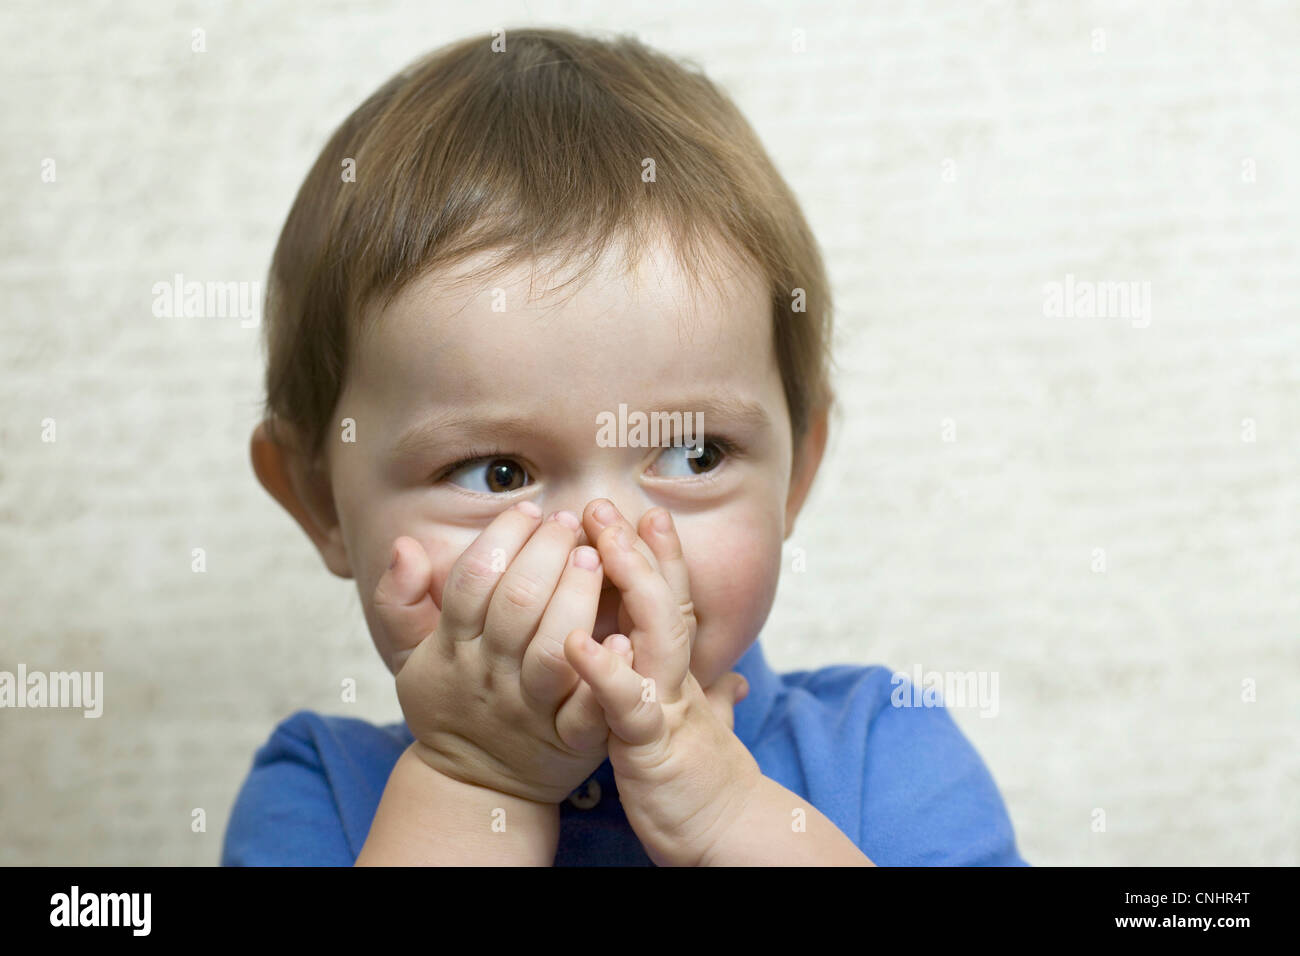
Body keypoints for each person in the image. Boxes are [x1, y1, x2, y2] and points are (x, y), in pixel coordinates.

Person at [223, 26, 1027, 866]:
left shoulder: (887, 756)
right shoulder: (316, 794)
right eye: (496, 473)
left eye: (693, 456)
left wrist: (727, 818)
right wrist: (474, 787)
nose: (600, 547)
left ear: (798, 472)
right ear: (318, 501)